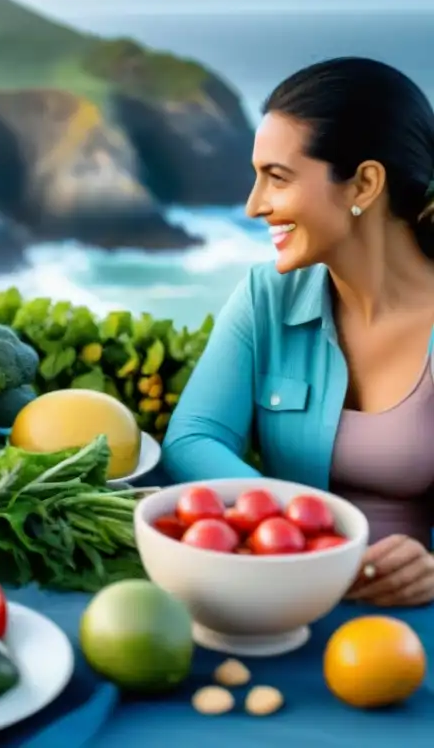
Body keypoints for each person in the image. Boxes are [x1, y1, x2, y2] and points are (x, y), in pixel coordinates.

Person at [161, 57, 434, 608]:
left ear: (364, 183)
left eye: (277, 177)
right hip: (288, 606)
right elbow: (192, 441)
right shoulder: (266, 296)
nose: (253, 205)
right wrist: (311, 538)